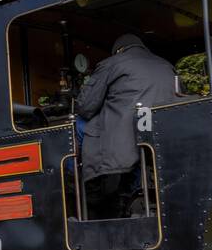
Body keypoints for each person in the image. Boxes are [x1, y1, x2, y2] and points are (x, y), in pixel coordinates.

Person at [75, 33, 177, 219]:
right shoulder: (166, 65)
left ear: (118, 51)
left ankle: (83, 178)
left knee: (78, 124)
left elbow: (86, 107)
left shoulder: (112, 63)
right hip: (159, 144)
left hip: (121, 143)